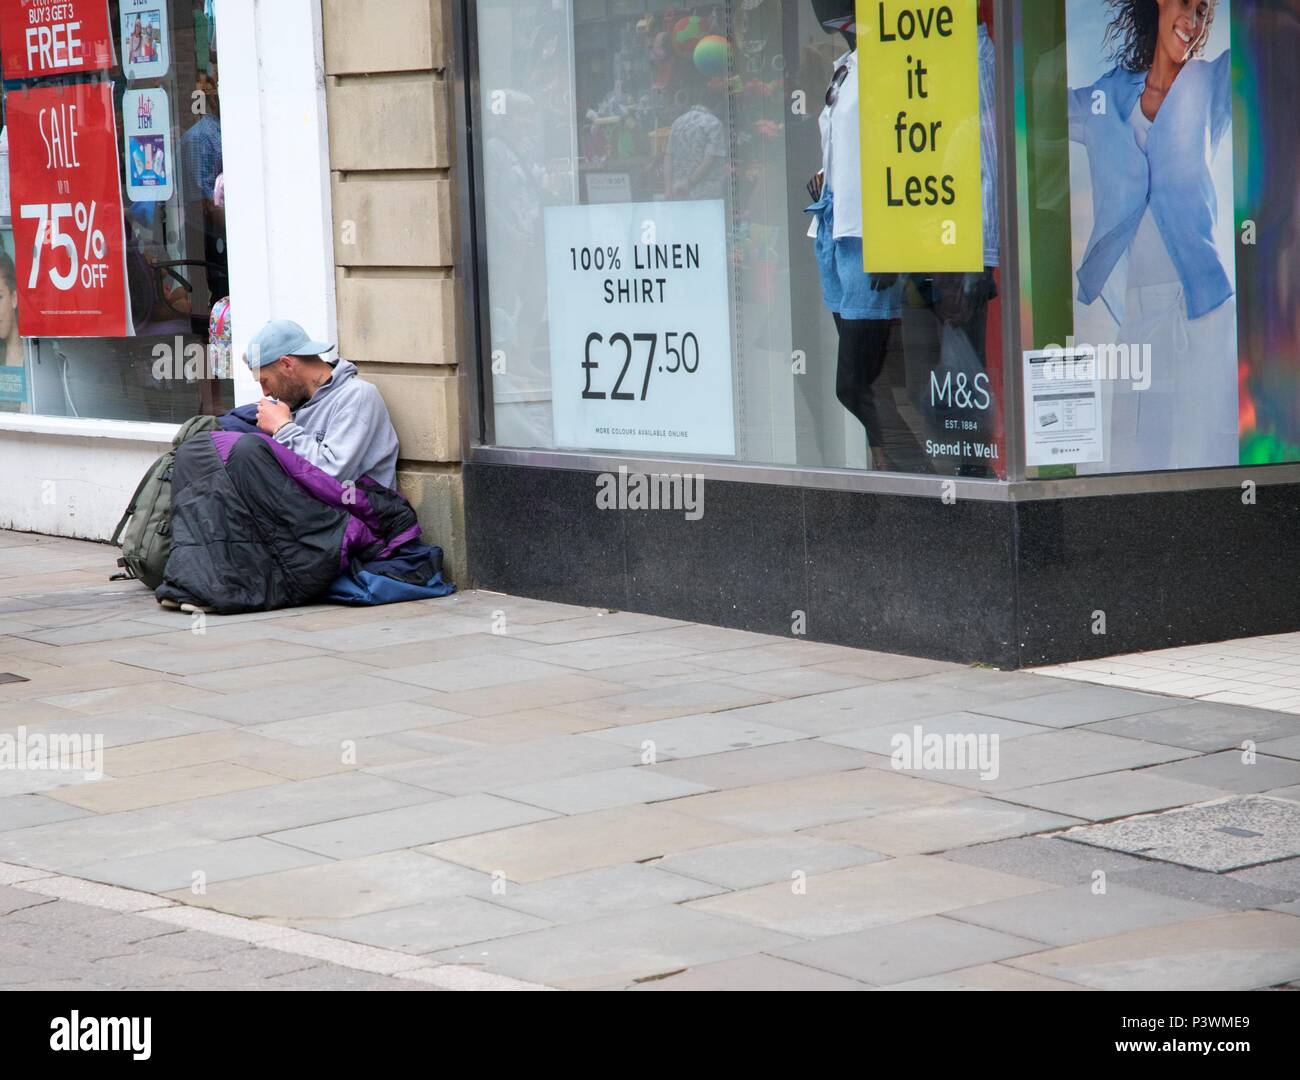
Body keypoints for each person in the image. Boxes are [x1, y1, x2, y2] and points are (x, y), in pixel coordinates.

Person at [1069, 0, 1235, 471]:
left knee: (1212, 460)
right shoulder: (1104, 97)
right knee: (1132, 461)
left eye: (1204, 12)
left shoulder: (1212, 82)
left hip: (1206, 309)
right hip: (1137, 320)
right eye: (1187, 4)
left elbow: (1279, 39)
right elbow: (1035, 109)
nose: (1195, 22)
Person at [245, 318, 399, 488]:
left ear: (287, 365)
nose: (265, 392)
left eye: (264, 381)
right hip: (310, 510)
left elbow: (331, 476)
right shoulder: (295, 404)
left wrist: (282, 428)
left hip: (355, 509)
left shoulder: (356, 396)